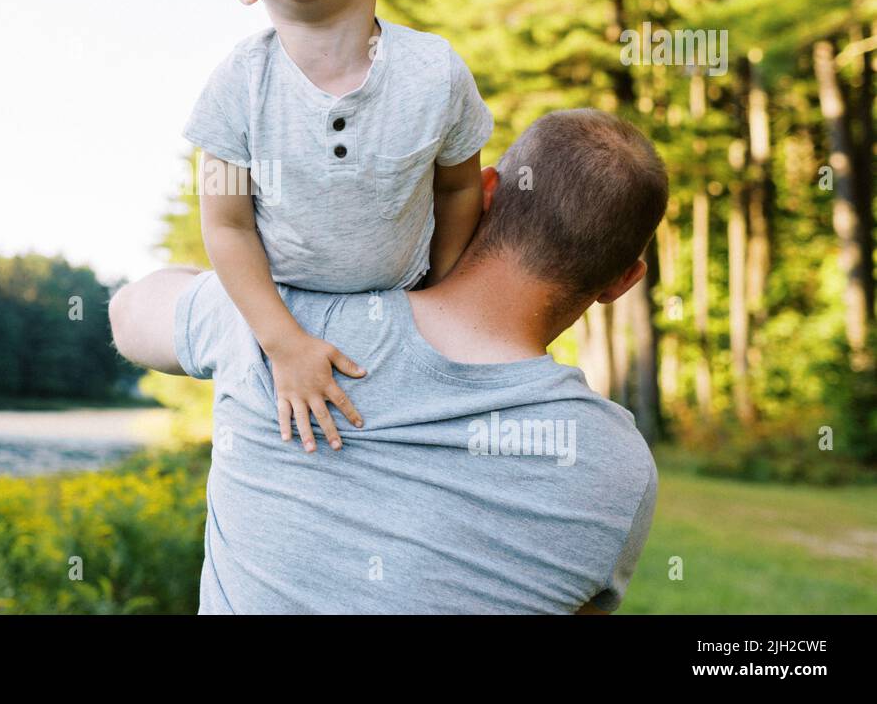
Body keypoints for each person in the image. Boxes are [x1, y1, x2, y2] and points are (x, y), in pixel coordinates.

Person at [110, 109, 667, 613]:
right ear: (623, 282)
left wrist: (241, 289)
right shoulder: (619, 468)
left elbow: (130, 314)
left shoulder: (290, 322)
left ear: (488, 189)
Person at [184, 0, 493, 454]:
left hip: (401, 295)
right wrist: (283, 342)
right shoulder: (234, 87)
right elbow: (228, 227)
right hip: (280, 300)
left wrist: (443, 291)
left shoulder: (436, 72)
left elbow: (459, 188)